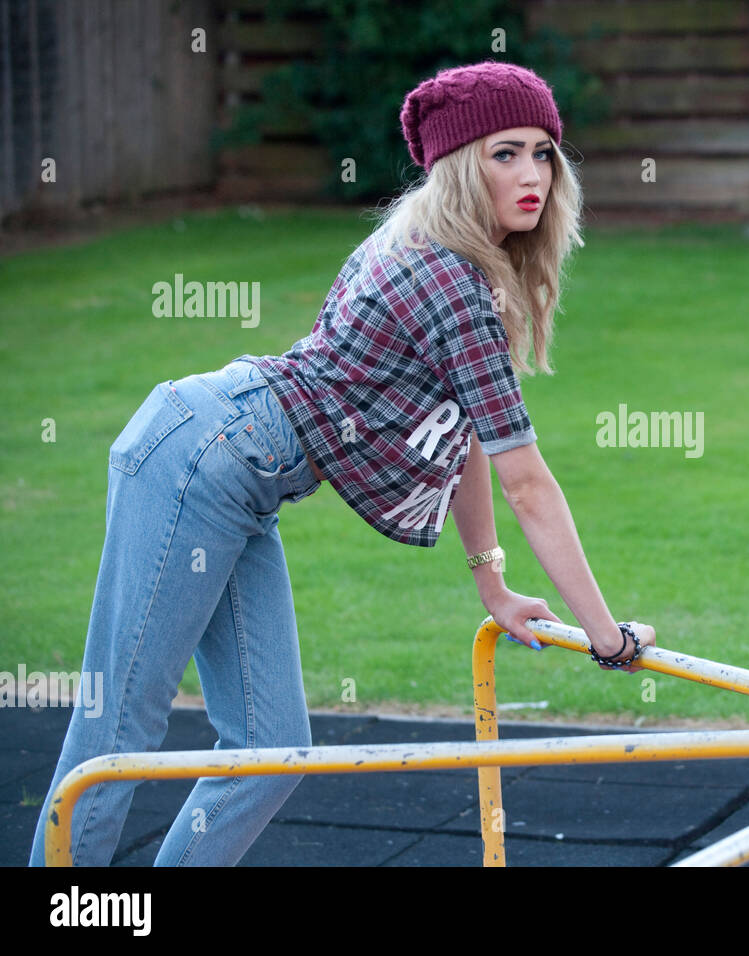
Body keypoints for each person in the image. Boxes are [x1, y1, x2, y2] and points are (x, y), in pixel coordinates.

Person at [30, 61, 654, 867]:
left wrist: (491, 580)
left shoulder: (455, 260)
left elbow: (460, 432)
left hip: (240, 476)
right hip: (199, 455)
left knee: (271, 748)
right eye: (505, 153)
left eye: (543, 152)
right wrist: (607, 638)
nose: (532, 173)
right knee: (119, 721)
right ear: (461, 164)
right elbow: (527, 482)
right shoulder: (448, 277)